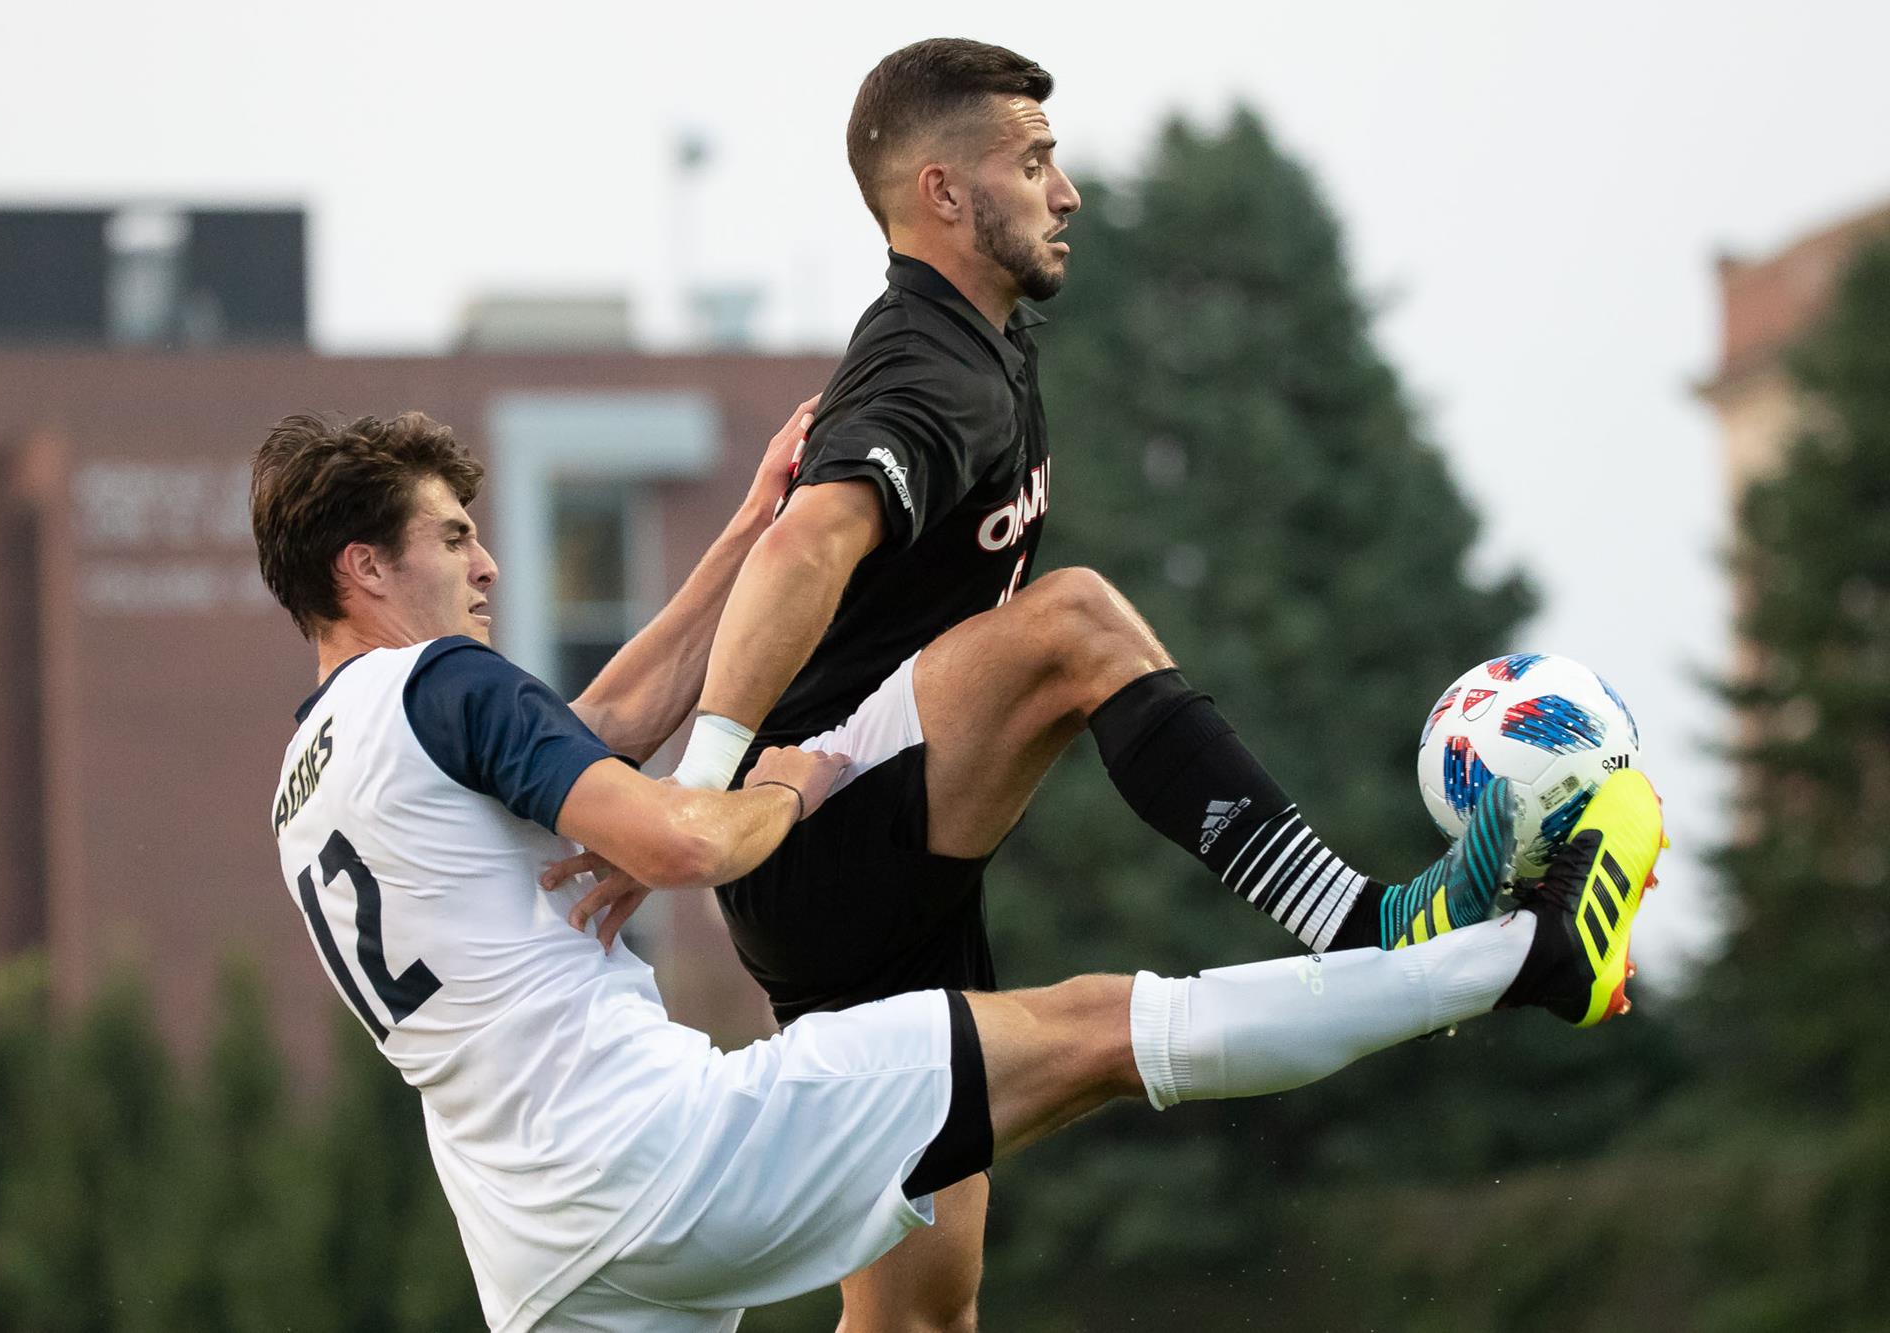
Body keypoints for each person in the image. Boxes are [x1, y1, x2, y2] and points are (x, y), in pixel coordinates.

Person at [253, 406, 1668, 1332]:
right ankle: (1525, 954)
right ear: (366, 569)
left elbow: (597, 726)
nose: (488, 565)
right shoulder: (439, 678)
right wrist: (786, 786)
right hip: (665, 1152)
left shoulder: (307, 785)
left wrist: (748, 536)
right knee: (1109, 1029)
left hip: (530, 1248)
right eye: (454, 538)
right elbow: (681, 838)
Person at [561, 39, 1517, 1329]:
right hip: (834, 835)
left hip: (886, 885)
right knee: (1075, 629)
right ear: (946, 193)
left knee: (922, 1314)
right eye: (1036, 162)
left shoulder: (984, 350)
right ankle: (1366, 924)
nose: (1066, 193)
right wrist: (694, 802)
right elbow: (805, 542)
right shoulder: (926, 366)